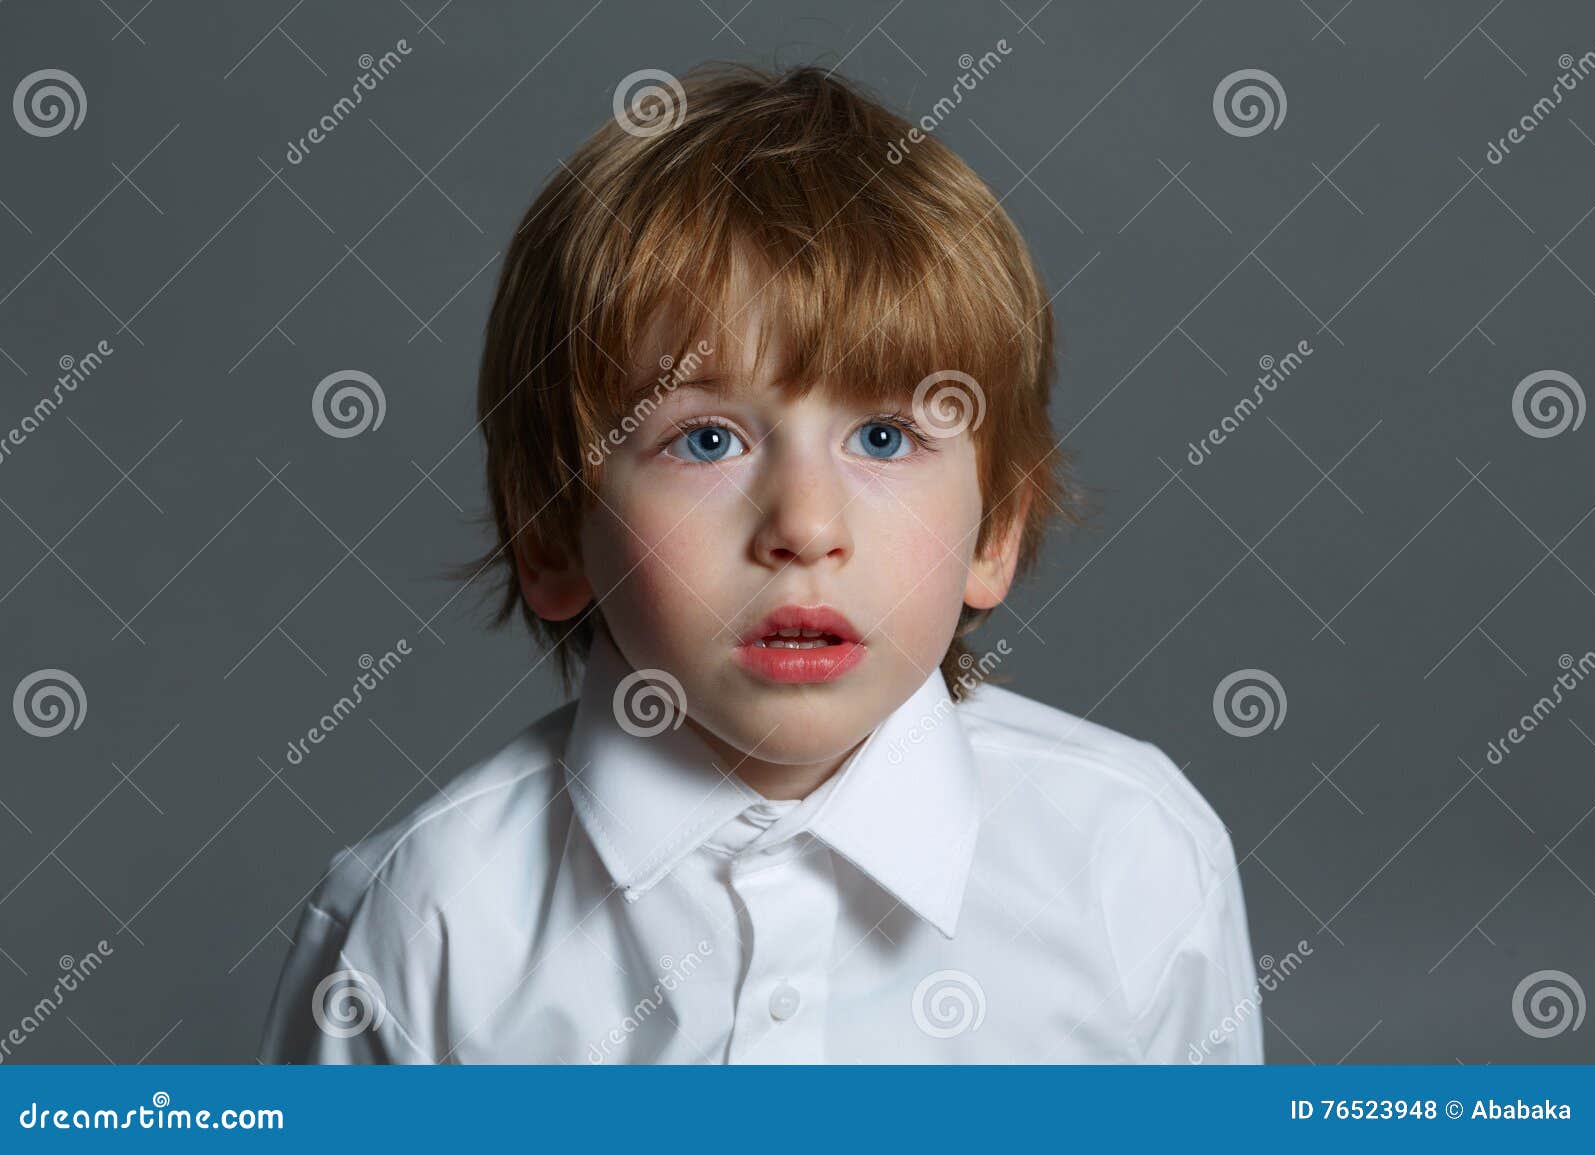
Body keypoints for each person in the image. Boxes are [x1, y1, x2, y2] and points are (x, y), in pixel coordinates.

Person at [258, 62, 1262, 1064]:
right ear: (553, 536)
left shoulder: (1132, 854)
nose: (804, 525)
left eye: (882, 438)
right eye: (704, 441)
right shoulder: (425, 920)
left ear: (993, 532)